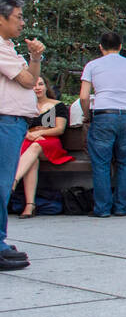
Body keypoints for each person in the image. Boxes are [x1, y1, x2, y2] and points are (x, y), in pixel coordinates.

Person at [79, 30, 126, 219]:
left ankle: (102, 208)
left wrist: (87, 115)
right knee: (125, 163)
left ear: (101, 47)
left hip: (103, 115)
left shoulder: (92, 65)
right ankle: (122, 207)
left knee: (101, 163)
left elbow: (84, 96)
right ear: (121, 47)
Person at [0, 0, 42, 270]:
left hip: (11, 122)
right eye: (18, 17)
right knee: (2, 184)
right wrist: (36, 56)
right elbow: (29, 81)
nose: (22, 23)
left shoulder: (7, 46)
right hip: (5, 122)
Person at [13, 76, 72, 218]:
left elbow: (59, 129)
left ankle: (13, 181)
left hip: (50, 142)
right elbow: (18, 127)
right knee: (32, 158)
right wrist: (29, 134)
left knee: (35, 147)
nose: (37, 87)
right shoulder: (24, 106)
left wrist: (40, 132)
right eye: (34, 85)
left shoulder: (58, 105)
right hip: (29, 140)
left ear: (46, 86)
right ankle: (30, 205)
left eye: (40, 84)